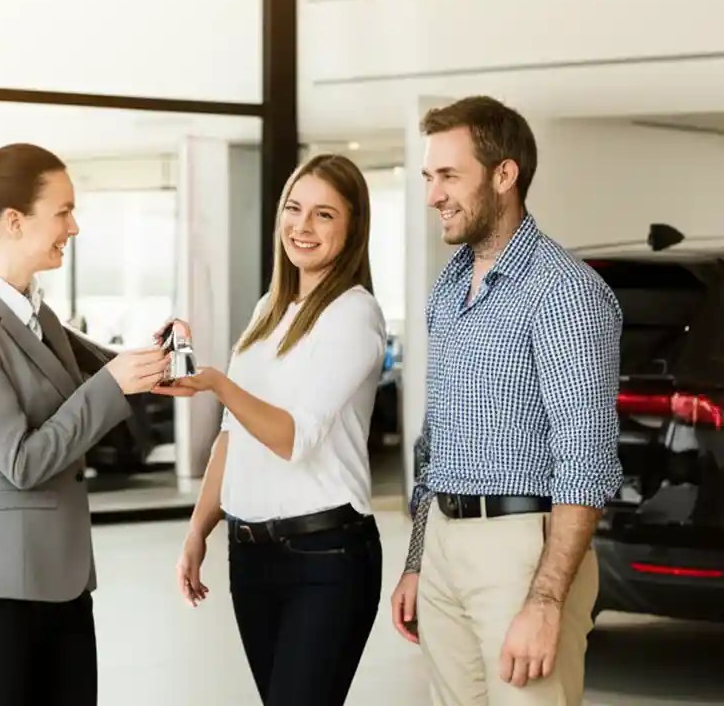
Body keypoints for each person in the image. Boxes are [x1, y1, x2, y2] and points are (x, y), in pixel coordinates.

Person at [388, 96, 623, 706]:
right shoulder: (448, 287)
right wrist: (418, 558)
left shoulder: (566, 293)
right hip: (443, 540)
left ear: (504, 175)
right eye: (427, 177)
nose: (432, 195)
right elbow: (434, 441)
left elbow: (587, 461)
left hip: (522, 549)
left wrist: (545, 602)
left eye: (448, 176)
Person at [0, 143, 170, 706]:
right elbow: (22, 461)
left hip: (56, 585)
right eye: (63, 211)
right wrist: (114, 384)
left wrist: (155, 356)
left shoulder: (38, 315)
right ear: (14, 221)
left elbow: (102, 374)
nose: (74, 227)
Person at [158, 153, 387, 705]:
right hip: (253, 555)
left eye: (324, 215)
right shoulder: (269, 309)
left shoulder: (354, 313)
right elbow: (233, 435)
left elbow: (294, 438)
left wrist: (216, 382)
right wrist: (197, 530)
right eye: (294, 208)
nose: (302, 227)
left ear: (353, 227)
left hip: (326, 556)